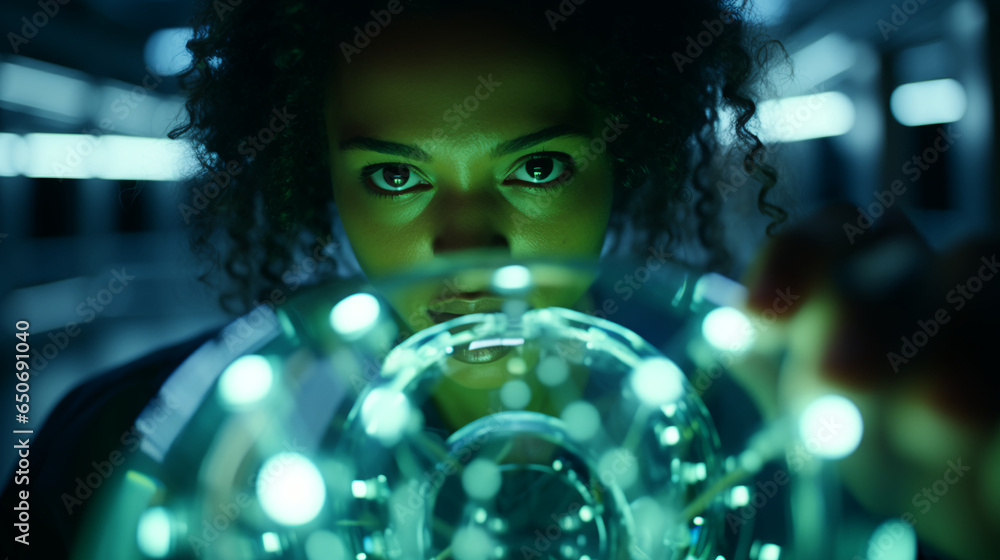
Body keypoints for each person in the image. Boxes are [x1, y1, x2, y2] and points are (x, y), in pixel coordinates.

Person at [5, 1, 997, 559]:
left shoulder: (793, 435)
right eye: (396, 175)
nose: (466, 237)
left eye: (535, 166)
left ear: (627, 159)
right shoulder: (133, 438)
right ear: (318, 183)